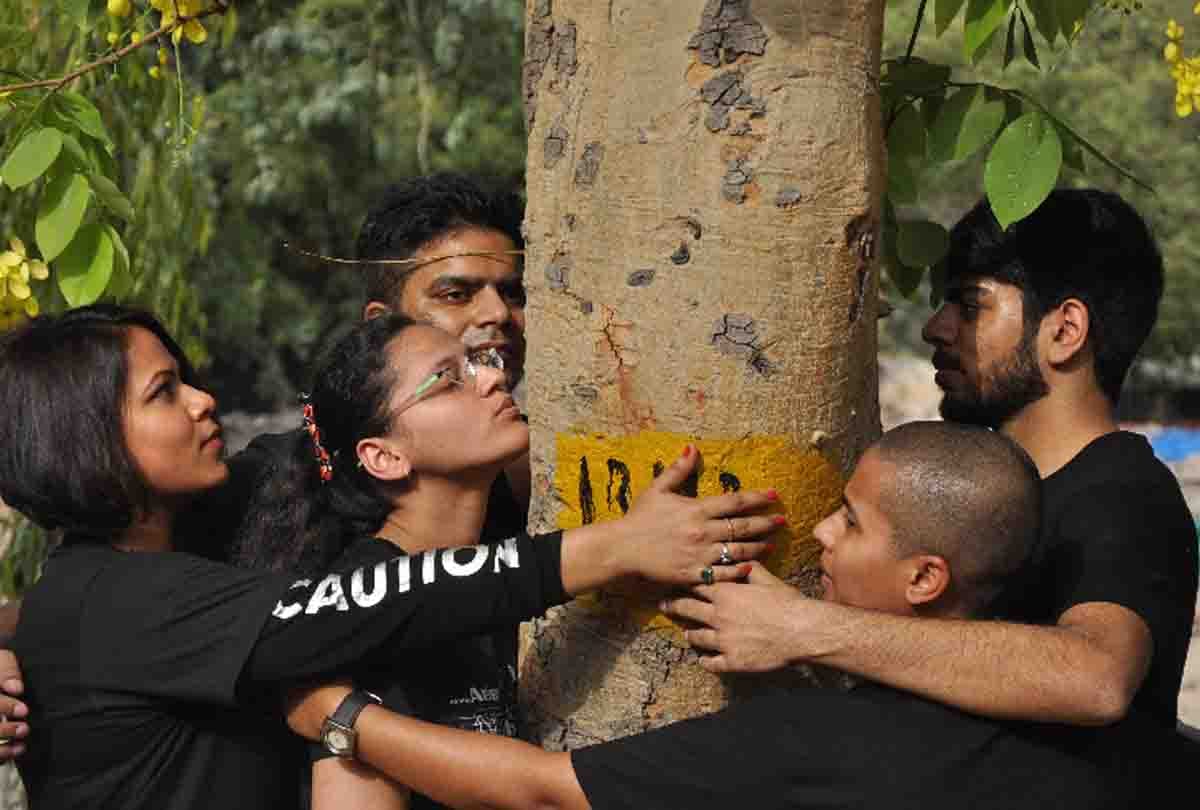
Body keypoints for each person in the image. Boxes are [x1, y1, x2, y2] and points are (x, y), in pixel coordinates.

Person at [0, 304, 777, 810]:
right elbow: (361, 605)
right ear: (86, 442)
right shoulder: (115, 598)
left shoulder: (186, 549)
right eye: (164, 392)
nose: (203, 400)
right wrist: (611, 549)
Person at [284, 422, 1134, 809]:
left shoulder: (823, 738)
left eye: (850, 520)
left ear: (925, 578)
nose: (822, 536)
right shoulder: (1072, 732)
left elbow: (539, 791)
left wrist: (341, 716)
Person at [0, 172, 533, 758]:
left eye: (515, 292)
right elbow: (100, 620)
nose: (497, 314)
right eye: (456, 294)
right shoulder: (277, 487)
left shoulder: (542, 474)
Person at [662, 189, 1199, 757]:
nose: (936, 329)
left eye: (971, 306)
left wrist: (804, 628)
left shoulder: (1123, 497)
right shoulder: (983, 491)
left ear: (1064, 331)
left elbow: (1096, 679)